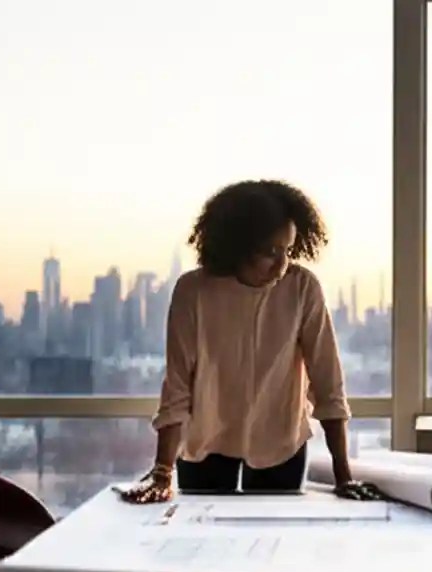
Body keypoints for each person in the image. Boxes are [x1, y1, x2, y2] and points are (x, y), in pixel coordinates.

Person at [119, 180, 360, 504]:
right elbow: (177, 388)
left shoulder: (302, 288)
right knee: (203, 546)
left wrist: (343, 477)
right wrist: (162, 472)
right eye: (269, 252)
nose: (282, 264)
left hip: (281, 447)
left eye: (287, 250)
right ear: (236, 246)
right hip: (205, 448)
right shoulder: (194, 292)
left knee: (275, 546)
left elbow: (328, 385)